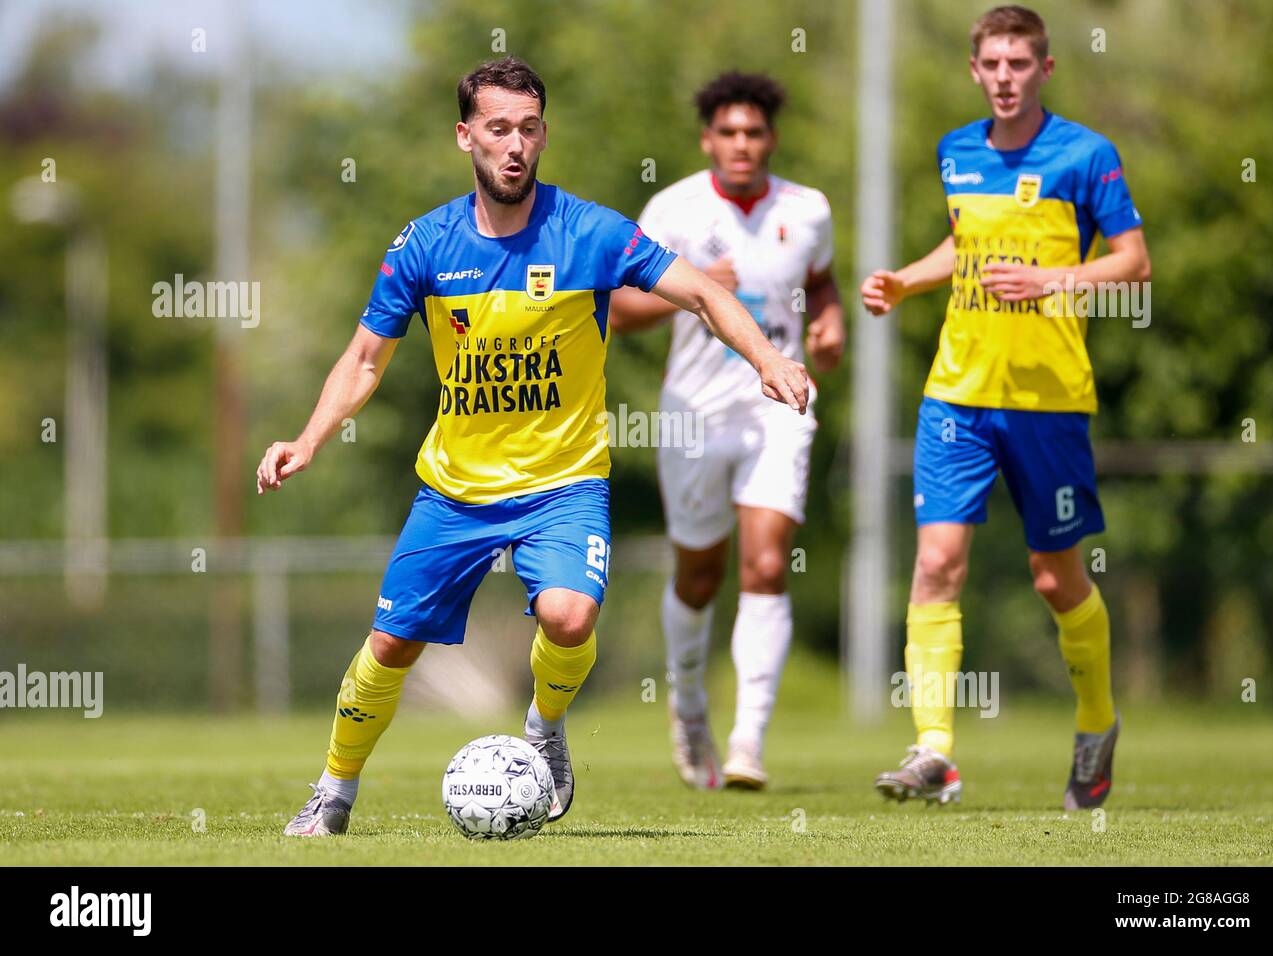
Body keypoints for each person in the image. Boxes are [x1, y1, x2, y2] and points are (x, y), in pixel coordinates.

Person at [258, 56, 810, 835]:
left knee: (570, 616)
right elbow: (364, 358)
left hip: (563, 483)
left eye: (527, 128)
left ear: (543, 133)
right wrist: (310, 437)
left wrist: (768, 358)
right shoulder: (423, 244)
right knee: (389, 647)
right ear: (465, 137)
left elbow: (704, 293)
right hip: (454, 486)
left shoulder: (591, 232)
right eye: (496, 129)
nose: (514, 145)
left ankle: (544, 728)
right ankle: (333, 792)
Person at [861, 5, 1150, 809]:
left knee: (1055, 580)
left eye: (1019, 64)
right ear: (974, 69)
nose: (1003, 77)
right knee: (935, 563)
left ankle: (1096, 723)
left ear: (1045, 69)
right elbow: (967, 247)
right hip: (957, 393)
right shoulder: (957, 151)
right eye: (991, 63)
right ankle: (934, 753)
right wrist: (906, 280)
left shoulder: (1087, 155)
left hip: (1048, 402)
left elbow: (1132, 261)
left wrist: (1055, 280)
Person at [610, 71, 843, 790]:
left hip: (778, 402)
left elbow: (823, 281)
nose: (742, 144)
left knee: (768, 565)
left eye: (755, 132)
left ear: (771, 139)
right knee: (700, 573)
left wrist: (829, 322)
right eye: (729, 132)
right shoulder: (674, 207)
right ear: (708, 138)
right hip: (693, 412)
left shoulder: (808, 210)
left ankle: (748, 741)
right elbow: (618, 305)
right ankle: (688, 708)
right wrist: (695, 286)